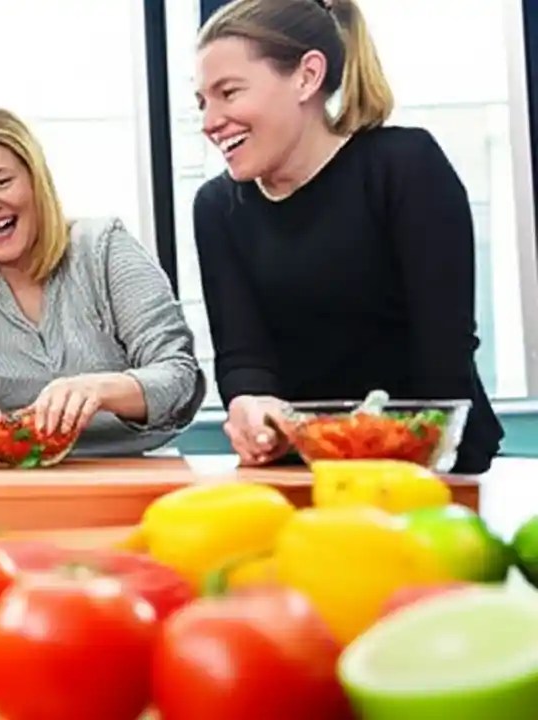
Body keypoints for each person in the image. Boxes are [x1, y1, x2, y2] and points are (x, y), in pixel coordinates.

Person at [192, 0, 503, 472]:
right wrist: (251, 409)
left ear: (306, 76)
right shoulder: (217, 207)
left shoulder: (404, 167)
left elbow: (443, 360)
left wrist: (401, 458)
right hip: (305, 468)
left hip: (432, 466)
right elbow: (244, 359)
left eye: (228, 93)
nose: (209, 121)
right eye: (202, 101)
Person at [0, 108, 205, 459]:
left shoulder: (105, 248)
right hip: (20, 487)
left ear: (36, 182)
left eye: (2, 182)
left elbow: (179, 377)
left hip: (139, 477)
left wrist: (101, 389)